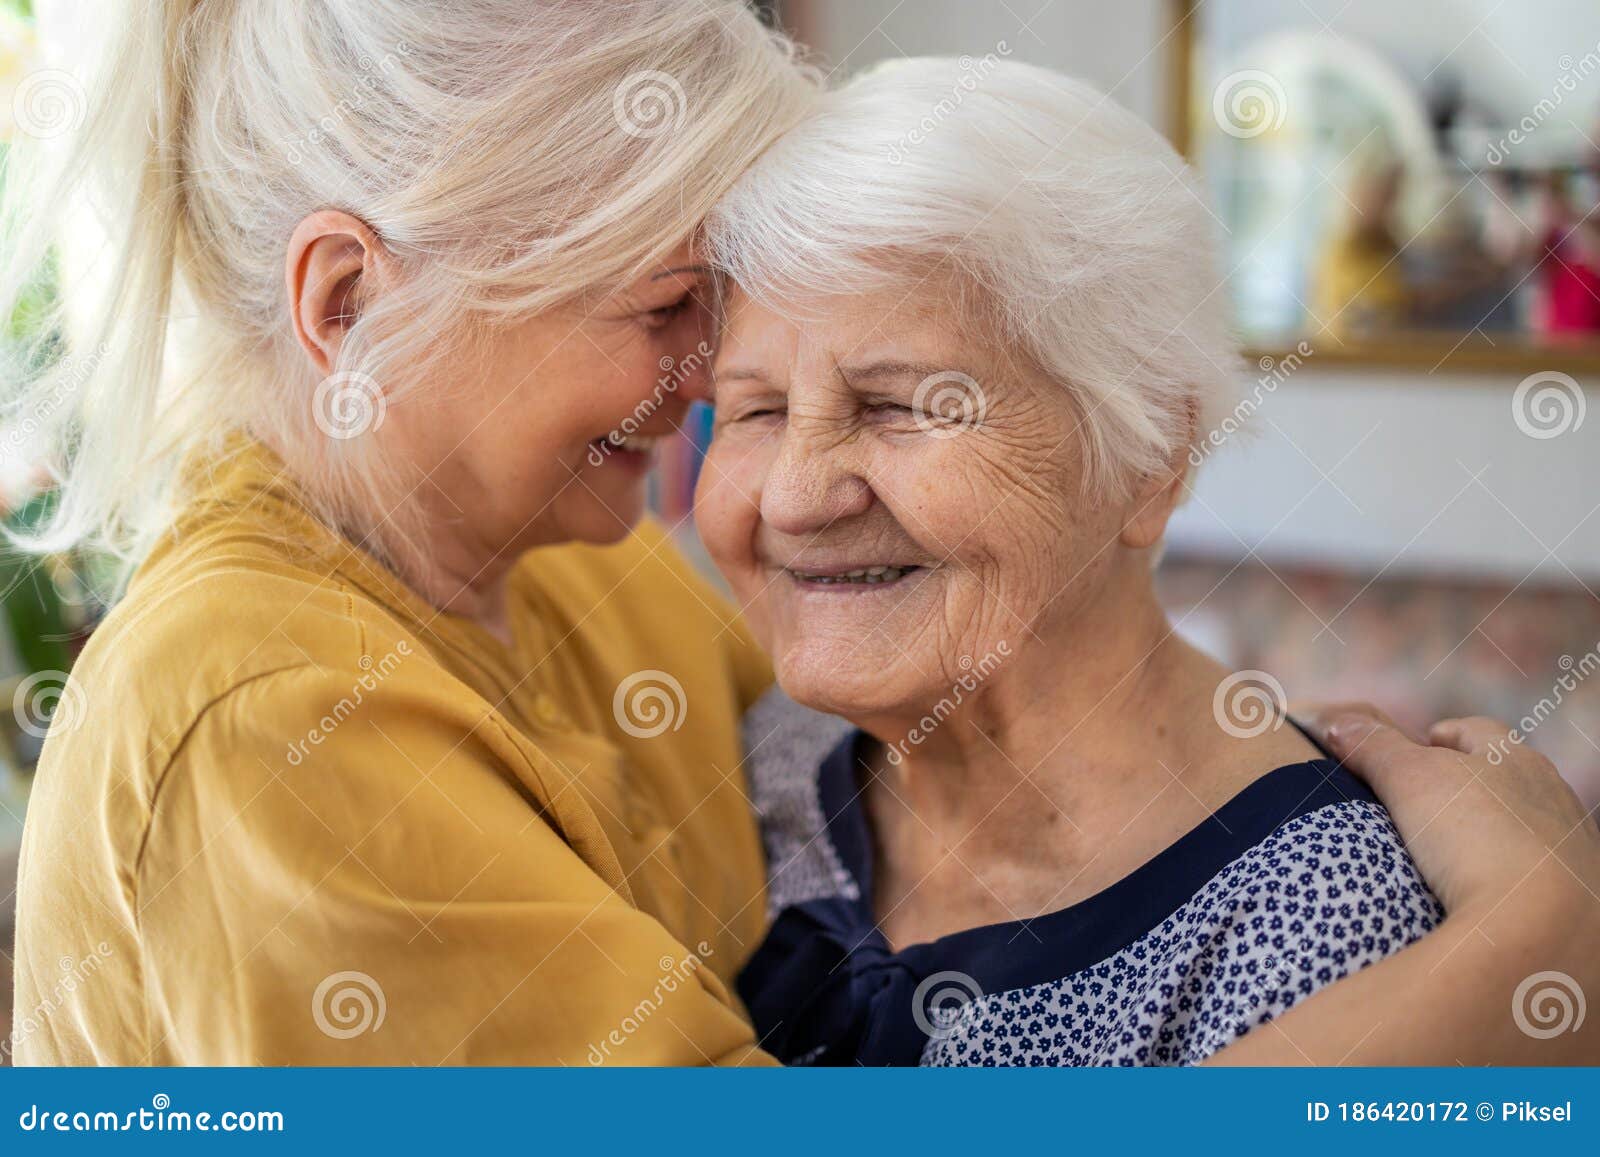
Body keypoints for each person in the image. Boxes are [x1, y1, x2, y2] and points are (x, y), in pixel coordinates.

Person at [4, 5, 1596, 1066]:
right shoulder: (260, 716)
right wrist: (1537, 962)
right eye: (673, 320)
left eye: (905, 400)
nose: (745, 448)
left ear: (1152, 451)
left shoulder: (602, 574)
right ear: (351, 306)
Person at [695, 57, 1600, 1065]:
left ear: (1148, 460)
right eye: (756, 410)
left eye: (899, 403)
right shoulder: (744, 764)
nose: (791, 494)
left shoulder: (1333, 922)